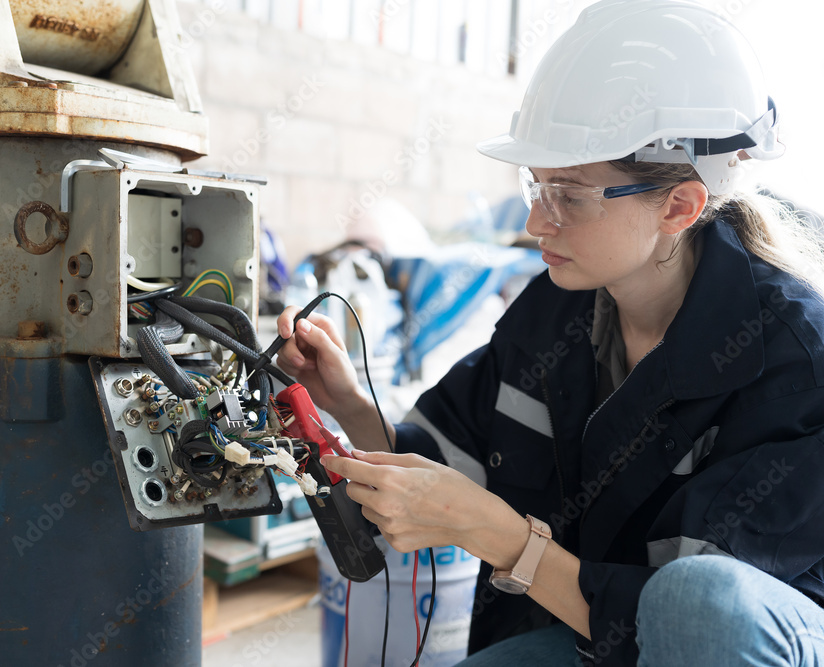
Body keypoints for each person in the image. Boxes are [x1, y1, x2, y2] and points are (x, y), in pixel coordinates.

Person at [275, 1, 824, 665]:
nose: (537, 221)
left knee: (698, 601)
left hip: (714, 646)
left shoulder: (793, 365)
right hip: (594, 636)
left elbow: (686, 628)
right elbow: (441, 468)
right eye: (535, 186)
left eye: (568, 194)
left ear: (681, 205)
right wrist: (348, 405)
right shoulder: (557, 312)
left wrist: (505, 538)